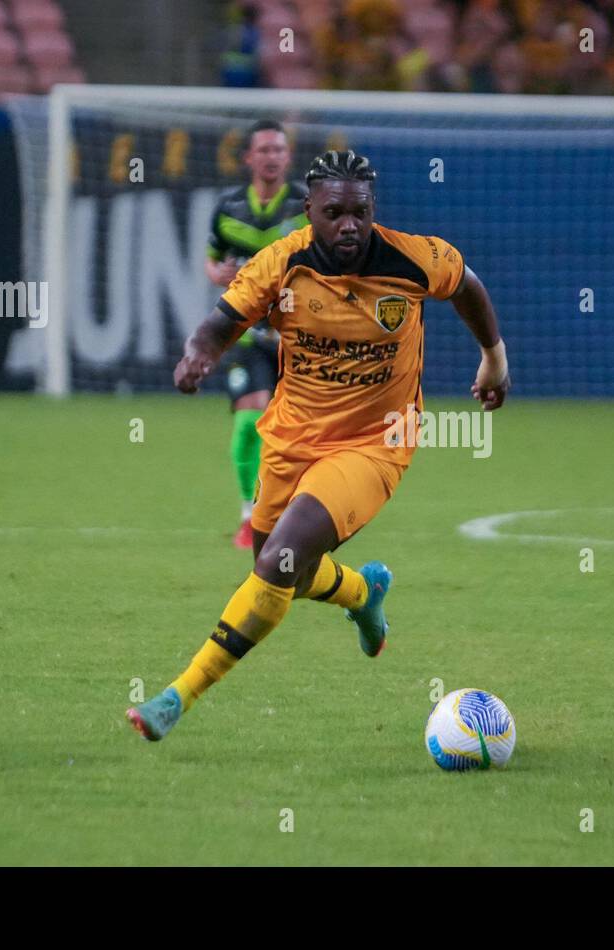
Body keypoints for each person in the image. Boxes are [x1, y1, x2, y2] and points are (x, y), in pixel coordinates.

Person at [127, 150, 511, 742]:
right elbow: (221, 322)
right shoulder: (281, 264)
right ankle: (362, 591)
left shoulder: (412, 260)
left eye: (360, 211)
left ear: (373, 210)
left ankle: (177, 696)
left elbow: (467, 287)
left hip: (376, 443)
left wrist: (493, 359)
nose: (349, 225)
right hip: (293, 435)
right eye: (335, 213)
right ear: (309, 212)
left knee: (274, 562)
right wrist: (199, 355)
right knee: (288, 569)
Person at [205, 120, 309, 548]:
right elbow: (211, 263)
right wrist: (220, 274)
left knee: (298, 432)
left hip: (298, 338)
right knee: (250, 423)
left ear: (287, 157)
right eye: (264, 149)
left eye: (279, 150)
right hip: (246, 335)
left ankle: (301, 513)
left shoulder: (308, 205)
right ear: (249, 158)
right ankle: (251, 517)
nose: (272, 156)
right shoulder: (228, 208)